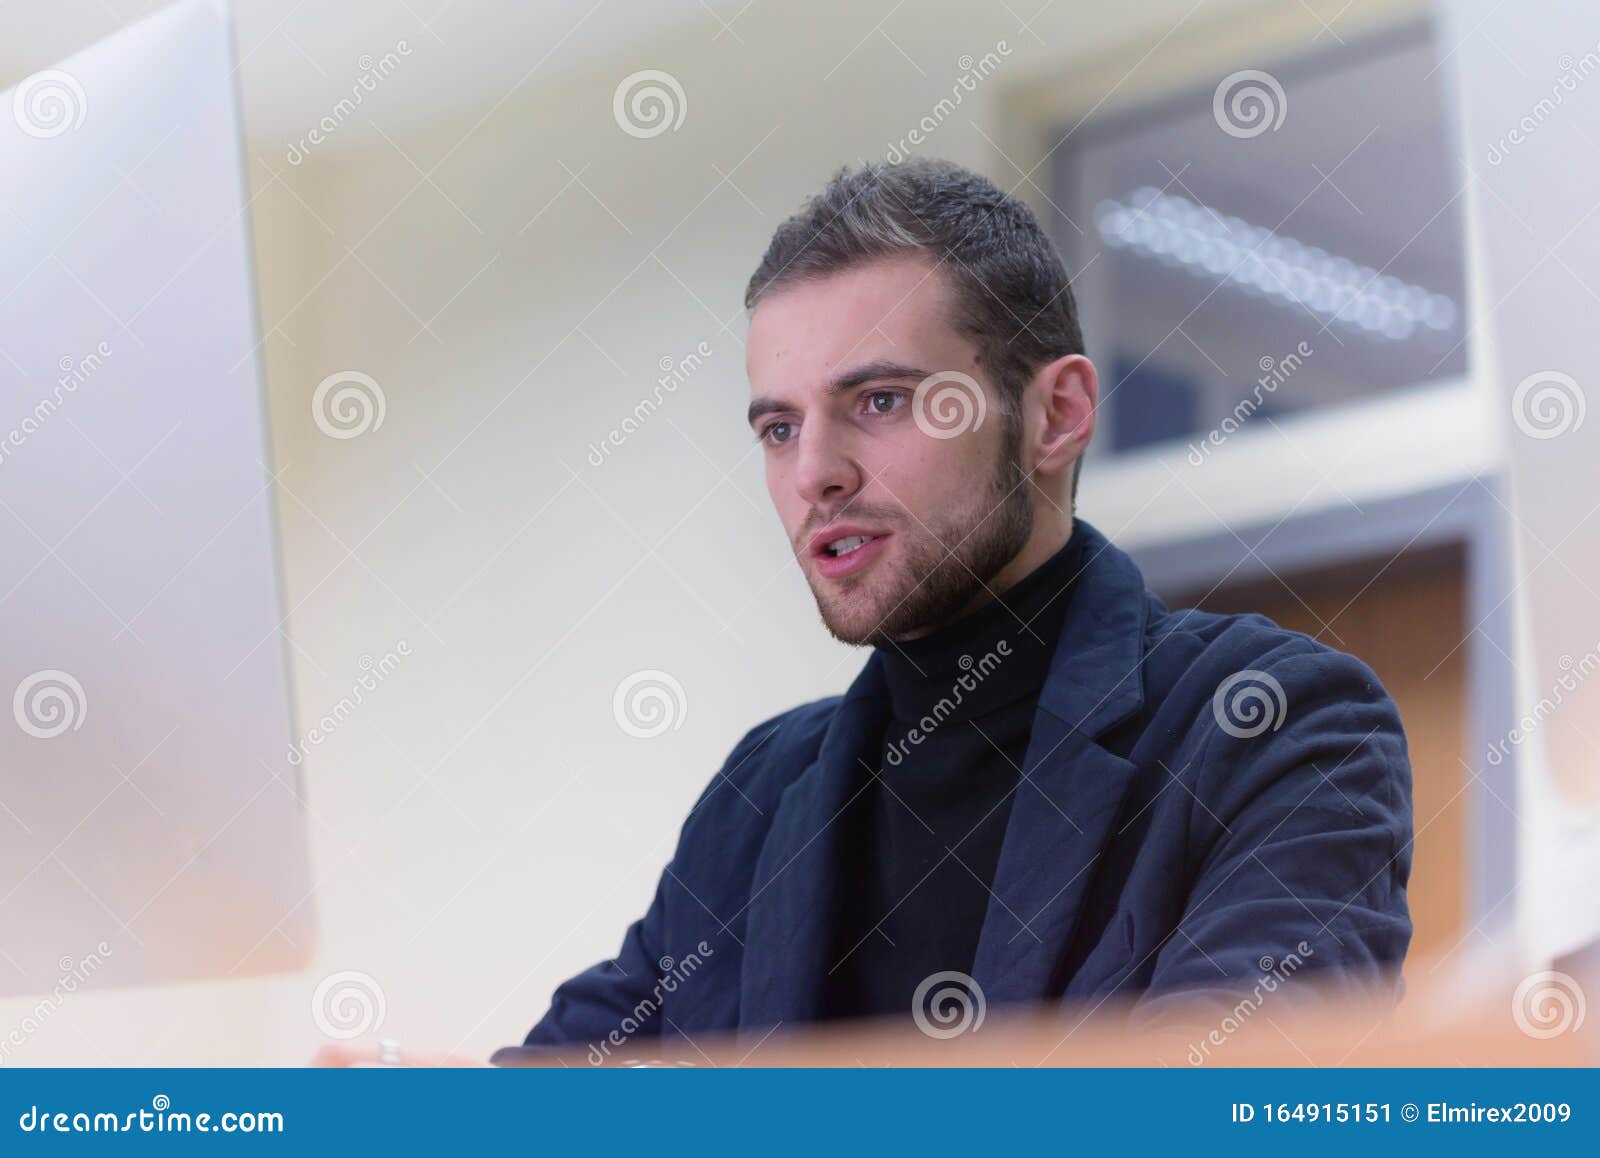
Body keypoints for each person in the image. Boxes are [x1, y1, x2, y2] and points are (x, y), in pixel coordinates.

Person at [324, 158, 1413, 1067]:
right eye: (776, 428)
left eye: (878, 403)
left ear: (1055, 414)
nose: (816, 475)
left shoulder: (1276, 729)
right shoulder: (762, 794)